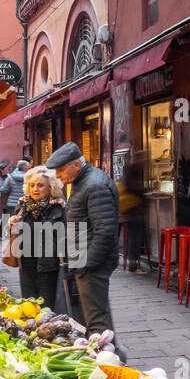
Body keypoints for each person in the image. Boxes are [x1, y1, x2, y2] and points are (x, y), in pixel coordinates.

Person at [46, 141, 122, 349]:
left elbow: (105, 230)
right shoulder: (82, 181)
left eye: (61, 170)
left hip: (91, 261)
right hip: (84, 257)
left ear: (76, 165)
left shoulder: (94, 184)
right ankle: (108, 351)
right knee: (95, 310)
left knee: (96, 317)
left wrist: (87, 263)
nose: (58, 175)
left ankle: (106, 361)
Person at [8, 166, 66, 311]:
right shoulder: (23, 205)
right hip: (26, 264)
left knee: (47, 308)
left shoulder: (58, 207)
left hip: (49, 265)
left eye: (40, 185)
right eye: (32, 185)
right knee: (29, 306)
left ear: (50, 187)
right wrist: (11, 223)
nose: (35, 189)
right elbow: (15, 232)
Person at [118, 157, 148, 274]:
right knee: (134, 238)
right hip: (133, 210)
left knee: (135, 237)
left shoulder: (128, 173)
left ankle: (134, 264)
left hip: (132, 210)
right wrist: (145, 190)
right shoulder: (131, 175)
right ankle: (133, 265)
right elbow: (134, 188)